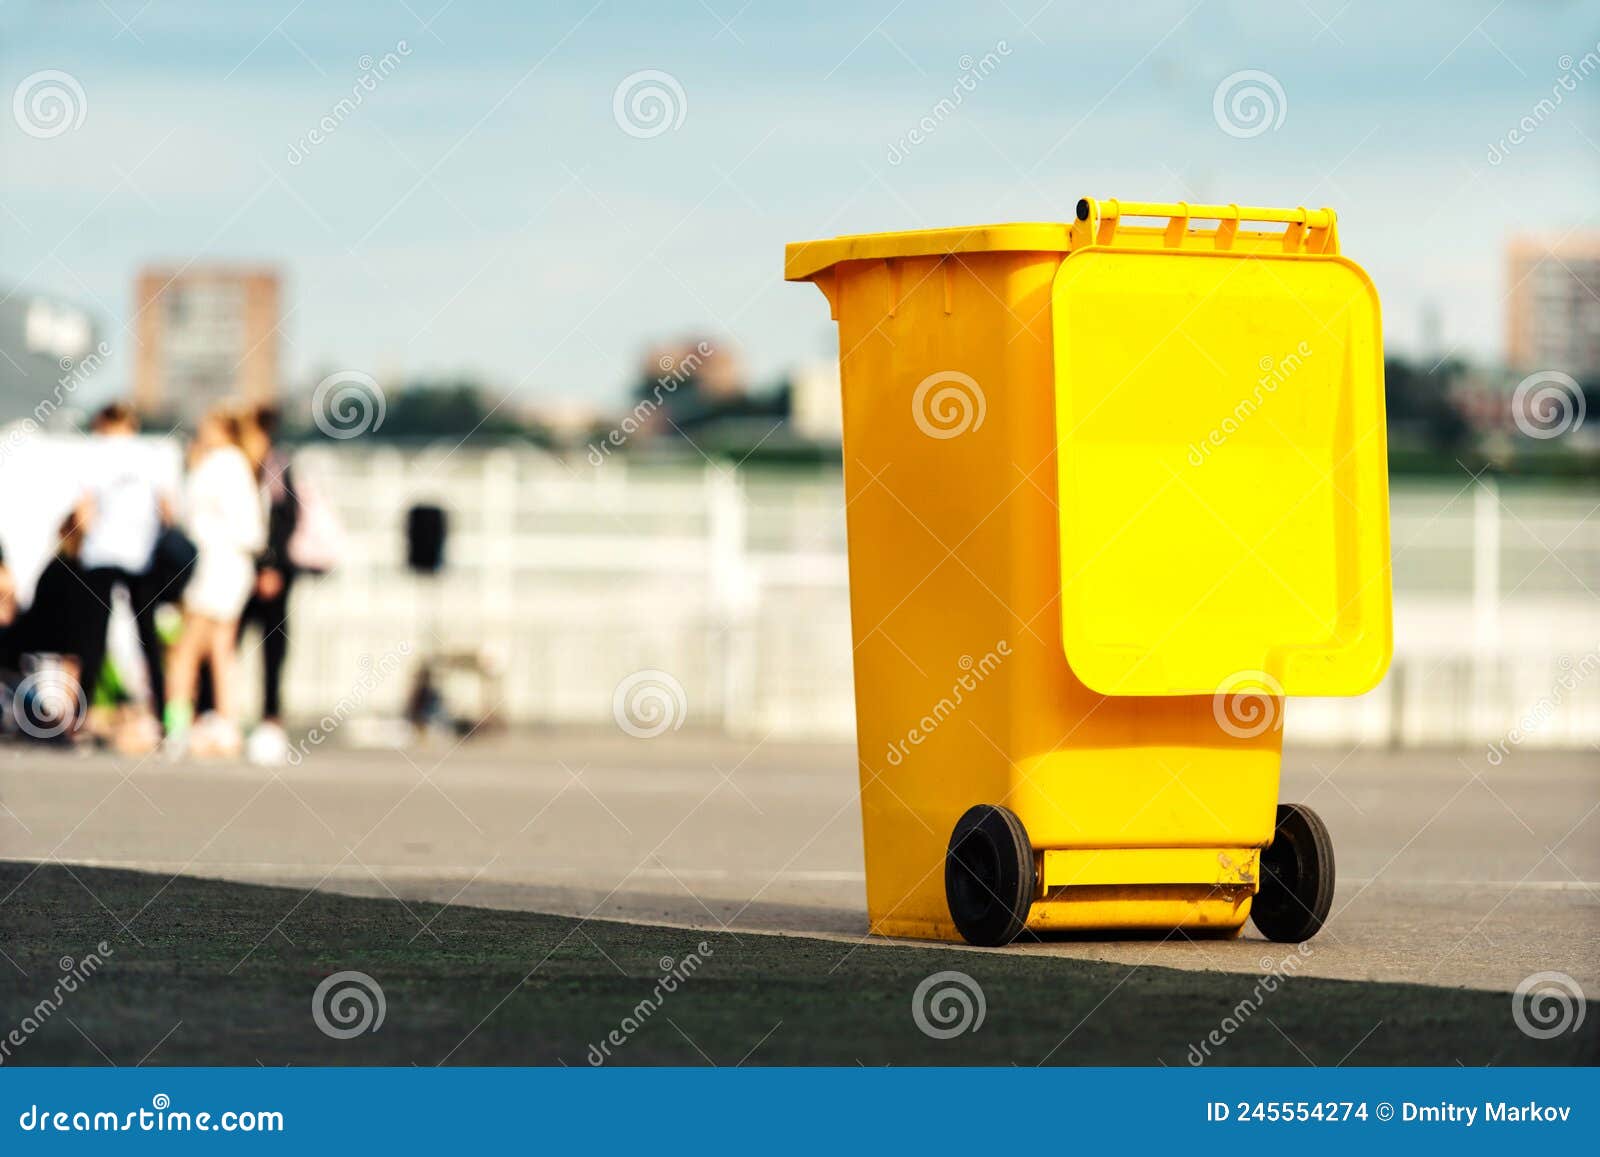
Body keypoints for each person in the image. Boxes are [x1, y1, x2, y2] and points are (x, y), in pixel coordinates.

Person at [163, 407, 266, 758]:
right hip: (234, 567)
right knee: (222, 650)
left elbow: (183, 513)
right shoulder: (240, 464)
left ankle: (177, 724)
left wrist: (191, 467)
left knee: (186, 649)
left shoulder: (217, 464)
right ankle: (227, 725)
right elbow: (253, 530)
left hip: (211, 566)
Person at [77, 402, 171, 721]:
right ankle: (162, 718)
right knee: (148, 637)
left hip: (100, 554)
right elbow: (168, 509)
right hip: (140, 555)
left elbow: (84, 511)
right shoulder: (151, 453)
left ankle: (81, 718)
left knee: (93, 636)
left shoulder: (96, 452)